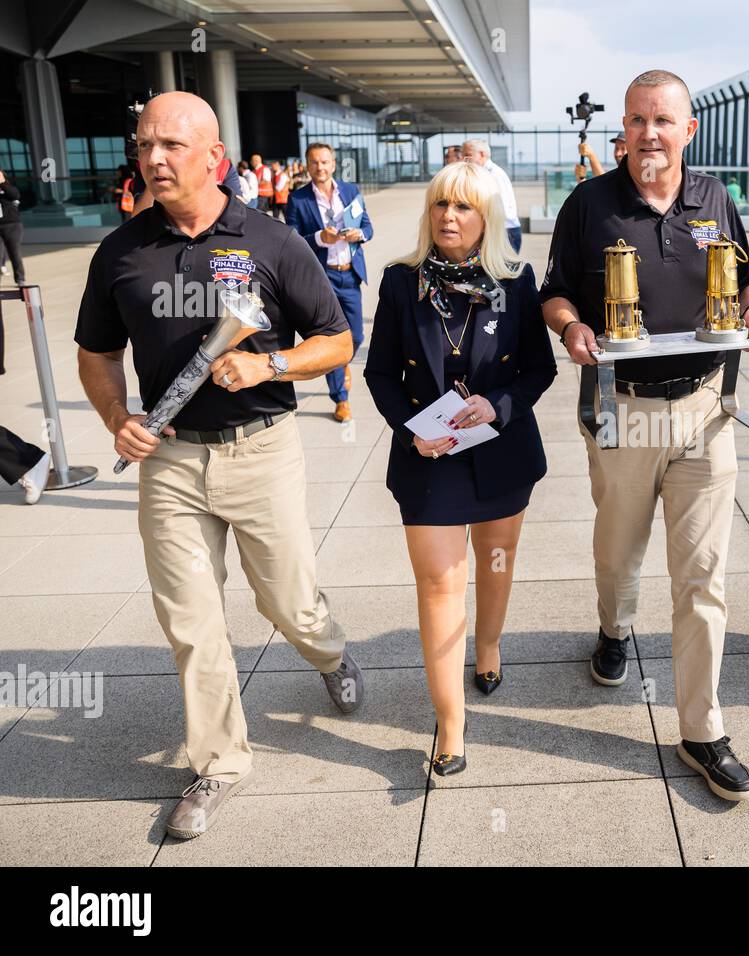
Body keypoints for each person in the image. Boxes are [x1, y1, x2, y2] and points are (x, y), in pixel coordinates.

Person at [74, 91, 362, 840]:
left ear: (214, 159)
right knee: (191, 622)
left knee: (289, 604)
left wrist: (269, 368)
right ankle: (221, 763)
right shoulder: (122, 250)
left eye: (170, 145)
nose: (153, 159)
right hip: (168, 463)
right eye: (144, 145)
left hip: (260, 453)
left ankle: (327, 652)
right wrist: (117, 419)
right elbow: (96, 355)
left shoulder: (270, 240)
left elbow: (336, 341)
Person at [541, 69, 749, 802]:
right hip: (623, 408)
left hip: (706, 410)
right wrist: (573, 324)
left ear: (688, 130)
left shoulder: (715, 198)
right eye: (638, 120)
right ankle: (615, 627)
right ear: (623, 129)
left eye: (663, 121)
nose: (649, 133)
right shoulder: (589, 203)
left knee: (703, 576)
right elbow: (552, 291)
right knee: (619, 549)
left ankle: (702, 729)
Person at [364, 161, 556, 776]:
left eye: (464, 207)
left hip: (500, 452)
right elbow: (379, 373)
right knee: (439, 585)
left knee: (495, 564)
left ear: (486, 217)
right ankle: (450, 723)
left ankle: (490, 646)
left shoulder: (516, 280)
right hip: (431, 460)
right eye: (442, 204)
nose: (450, 216)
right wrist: (410, 429)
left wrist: (496, 406)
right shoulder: (401, 282)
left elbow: (539, 369)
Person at [286, 142, 374, 422]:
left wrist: (358, 234)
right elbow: (291, 240)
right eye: (314, 162)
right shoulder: (298, 199)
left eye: (325, 162)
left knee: (356, 336)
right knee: (332, 338)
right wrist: (320, 238)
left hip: (349, 274)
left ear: (333, 164)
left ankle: (341, 362)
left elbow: (369, 228)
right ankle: (341, 398)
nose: (320, 167)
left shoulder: (351, 191)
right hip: (321, 279)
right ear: (307, 166)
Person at [462, 138, 522, 252]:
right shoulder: (484, 173)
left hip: (505, 232)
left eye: (468, 155)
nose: (464, 160)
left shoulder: (494, 175)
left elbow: (500, 208)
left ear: (482, 154)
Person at [0, 168, 26, 285]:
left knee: (14, 253)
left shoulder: (8, 188)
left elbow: (15, 195)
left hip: (12, 225)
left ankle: (20, 279)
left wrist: (2, 183)